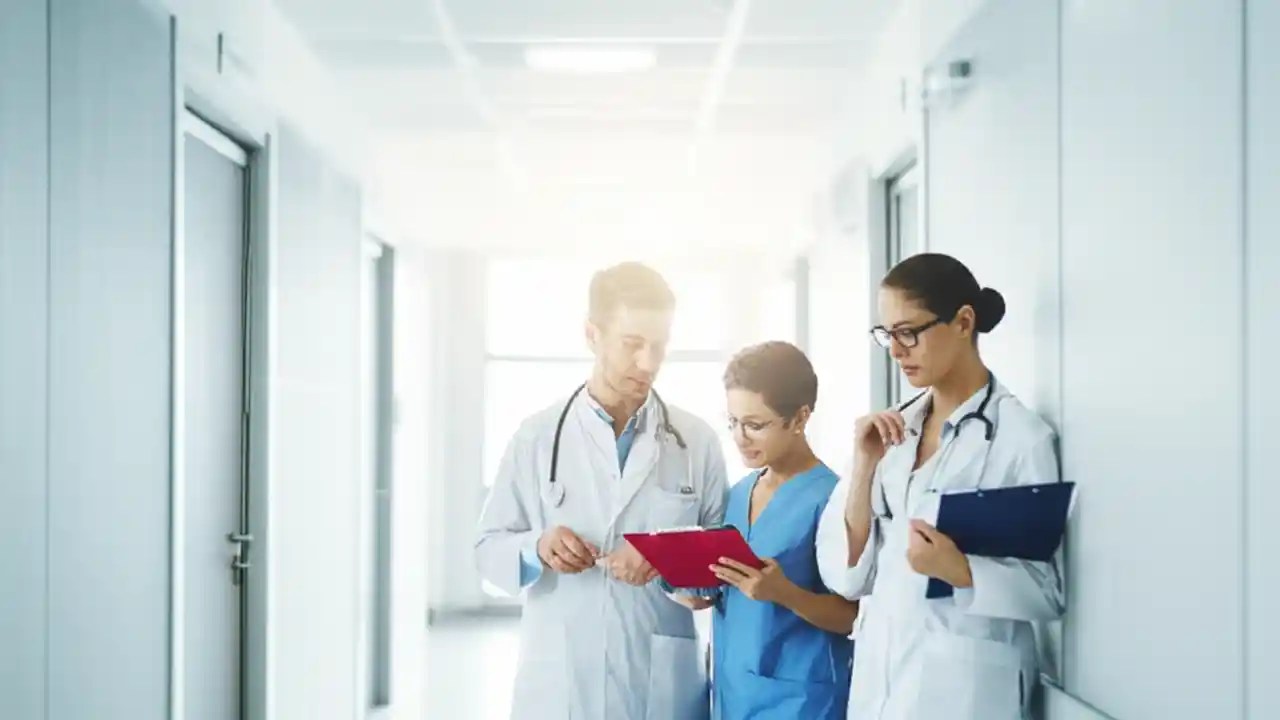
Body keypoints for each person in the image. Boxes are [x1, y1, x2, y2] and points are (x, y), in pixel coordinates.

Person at [475, 261, 729, 720]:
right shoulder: (537, 438)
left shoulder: (695, 442)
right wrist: (538, 547)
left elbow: (721, 564)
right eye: (632, 345)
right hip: (560, 684)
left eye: (660, 346)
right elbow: (488, 551)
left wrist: (666, 558)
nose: (649, 363)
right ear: (592, 335)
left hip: (658, 686)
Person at [816, 253, 1065, 720]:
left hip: (965, 694)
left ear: (964, 322)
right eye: (887, 334)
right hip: (880, 686)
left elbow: (1048, 593)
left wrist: (960, 570)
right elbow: (847, 577)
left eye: (909, 332)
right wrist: (865, 465)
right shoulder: (891, 430)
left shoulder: (1019, 438)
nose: (895, 349)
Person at [672, 341, 856, 719]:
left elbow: (852, 615)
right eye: (733, 422)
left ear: (800, 418)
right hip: (732, 693)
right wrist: (692, 588)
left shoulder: (833, 498)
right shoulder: (739, 494)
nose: (740, 437)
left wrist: (784, 593)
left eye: (755, 425)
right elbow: (728, 589)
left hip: (799, 702)